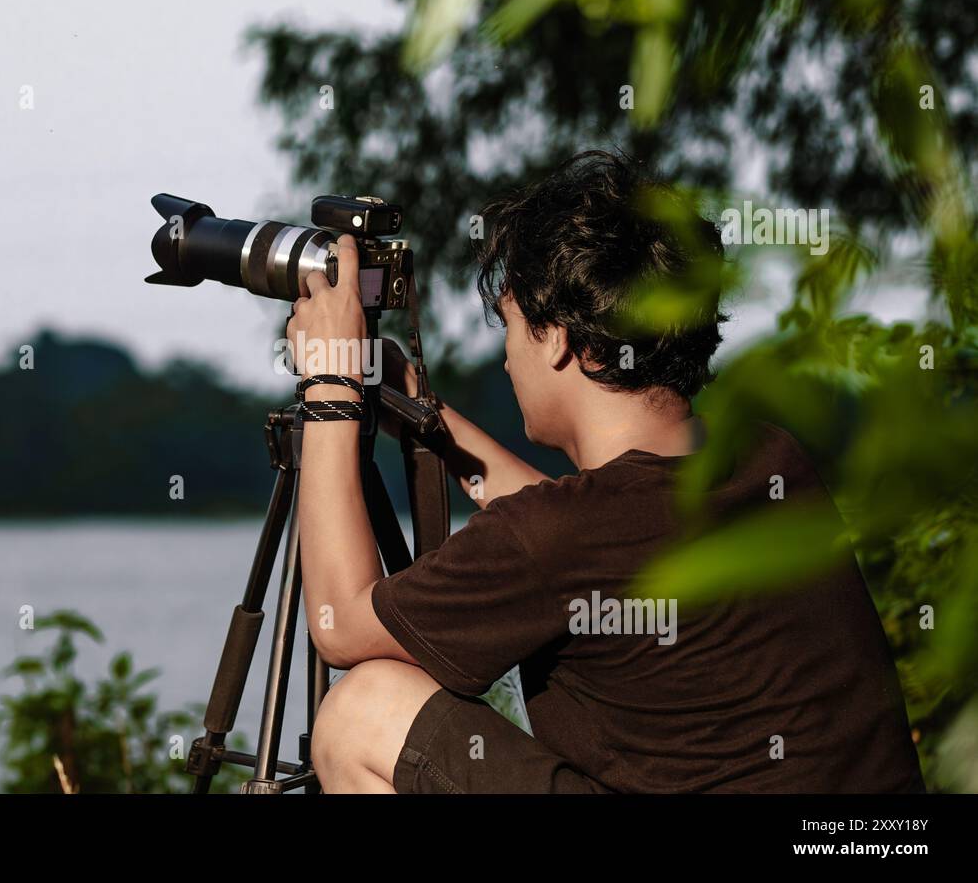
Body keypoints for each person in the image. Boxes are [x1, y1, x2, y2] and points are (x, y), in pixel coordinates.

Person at [283, 150, 924, 793]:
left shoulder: (565, 536)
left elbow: (341, 625)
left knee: (362, 712)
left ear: (557, 338)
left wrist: (331, 388)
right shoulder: (771, 459)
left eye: (508, 326)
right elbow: (592, 536)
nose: (507, 360)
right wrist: (423, 409)